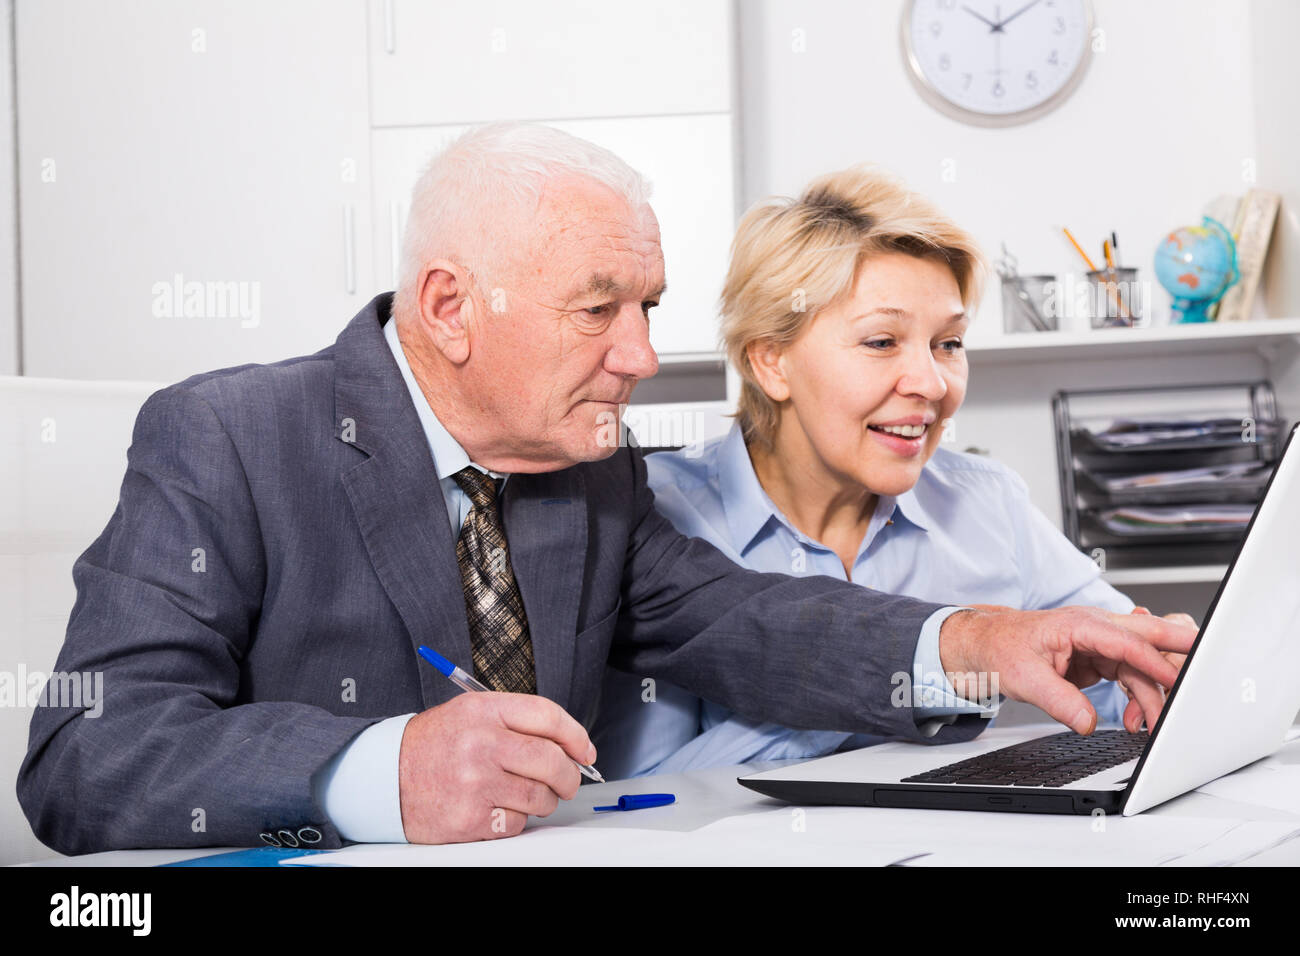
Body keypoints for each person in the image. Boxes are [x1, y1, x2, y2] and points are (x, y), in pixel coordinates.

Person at [18, 124, 1192, 853]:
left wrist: (979, 636)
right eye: (599, 310)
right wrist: (381, 770)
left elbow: (749, 620)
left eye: (650, 307)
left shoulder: (594, 476)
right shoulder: (227, 433)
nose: (639, 353)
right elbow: (85, 761)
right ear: (448, 307)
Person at [592, 164, 1192, 779]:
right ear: (771, 361)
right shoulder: (656, 520)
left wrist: (1161, 671)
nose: (932, 383)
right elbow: (644, 792)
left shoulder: (986, 502)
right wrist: (934, 681)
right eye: (882, 342)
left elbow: (1120, 686)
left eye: (949, 343)